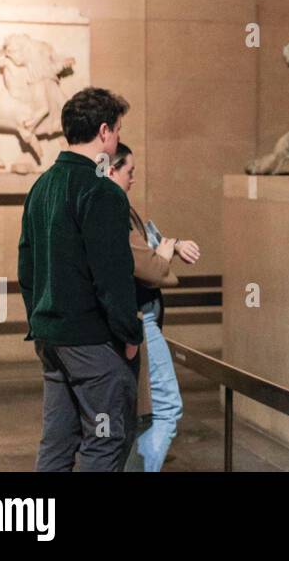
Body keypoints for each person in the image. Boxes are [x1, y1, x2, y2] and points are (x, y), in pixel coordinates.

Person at [18, 86, 142, 472]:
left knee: (56, 444)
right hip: (93, 343)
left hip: (52, 339)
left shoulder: (41, 187)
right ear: (104, 131)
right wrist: (129, 335)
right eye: (118, 130)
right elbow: (113, 276)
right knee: (104, 443)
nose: (118, 138)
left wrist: (40, 320)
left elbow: (27, 266)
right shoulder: (100, 191)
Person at [107, 142, 201, 472]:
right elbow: (148, 269)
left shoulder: (109, 206)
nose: (133, 179)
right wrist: (164, 253)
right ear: (112, 169)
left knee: (139, 414)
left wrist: (169, 247)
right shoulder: (113, 208)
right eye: (129, 172)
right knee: (165, 408)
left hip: (133, 319)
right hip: (139, 318)